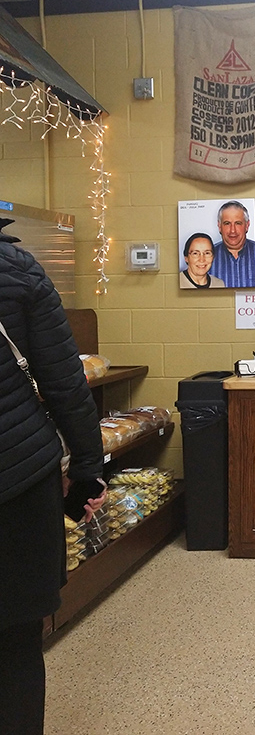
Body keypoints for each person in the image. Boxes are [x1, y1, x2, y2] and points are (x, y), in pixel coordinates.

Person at [0, 220, 107, 735]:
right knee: (16, 643)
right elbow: (65, 384)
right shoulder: (18, 270)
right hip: (18, 479)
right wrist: (87, 470)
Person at [211, 201, 255, 287]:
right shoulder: (206, 258)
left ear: (247, 225)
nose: (233, 230)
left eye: (238, 223)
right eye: (227, 223)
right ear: (219, 226)